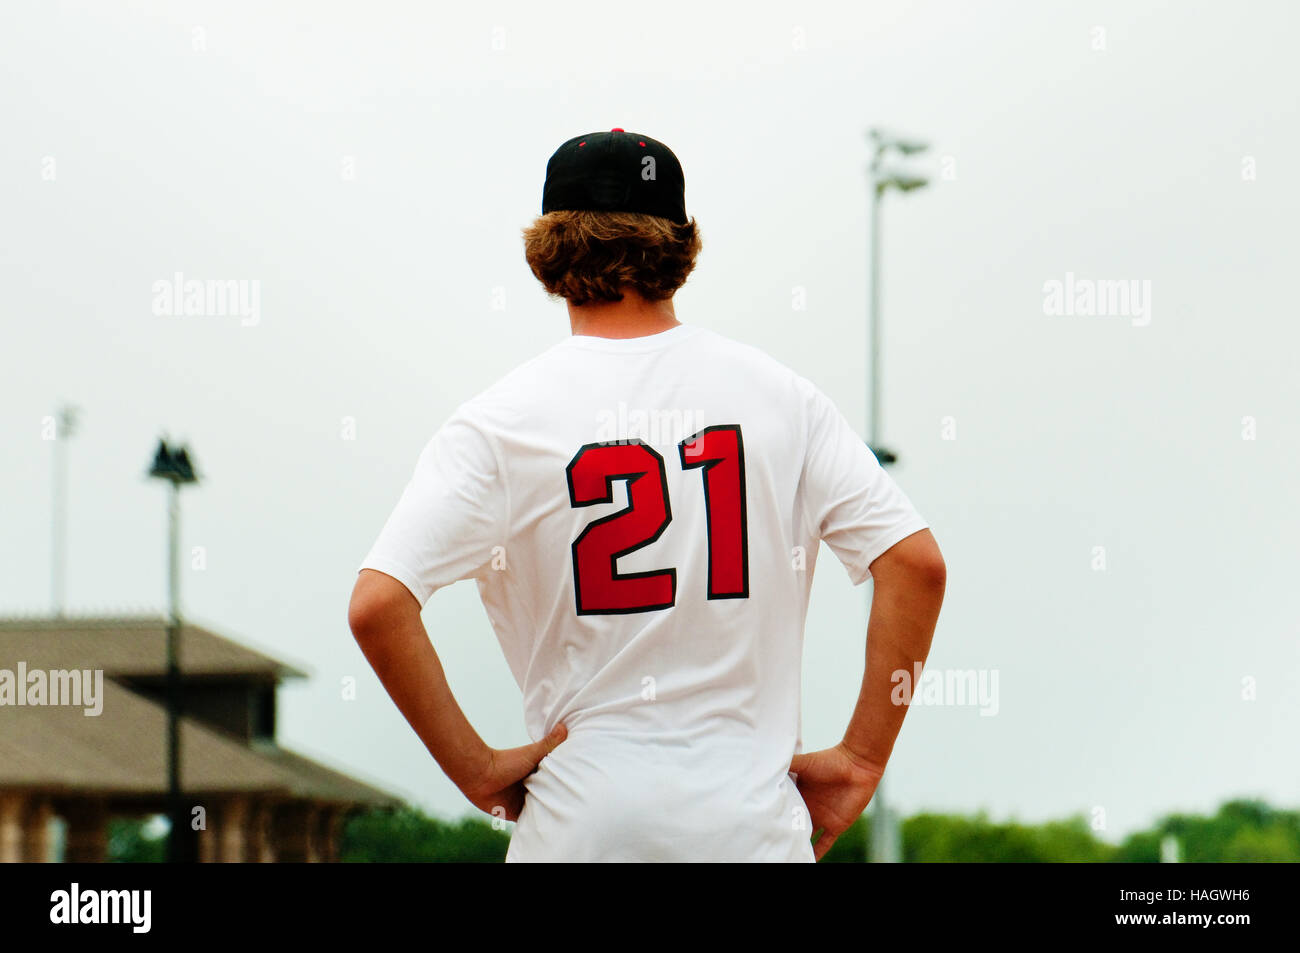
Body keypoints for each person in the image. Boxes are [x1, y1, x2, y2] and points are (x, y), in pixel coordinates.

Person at [348, 129, 946, 862]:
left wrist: (472, 766)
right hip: (749, 827)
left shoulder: (499, 422)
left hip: (581, 825)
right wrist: (862, 756)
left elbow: (379, 603)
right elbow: (917, 565)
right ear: (682, 244)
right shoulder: (780, 397)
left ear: (546, 249)